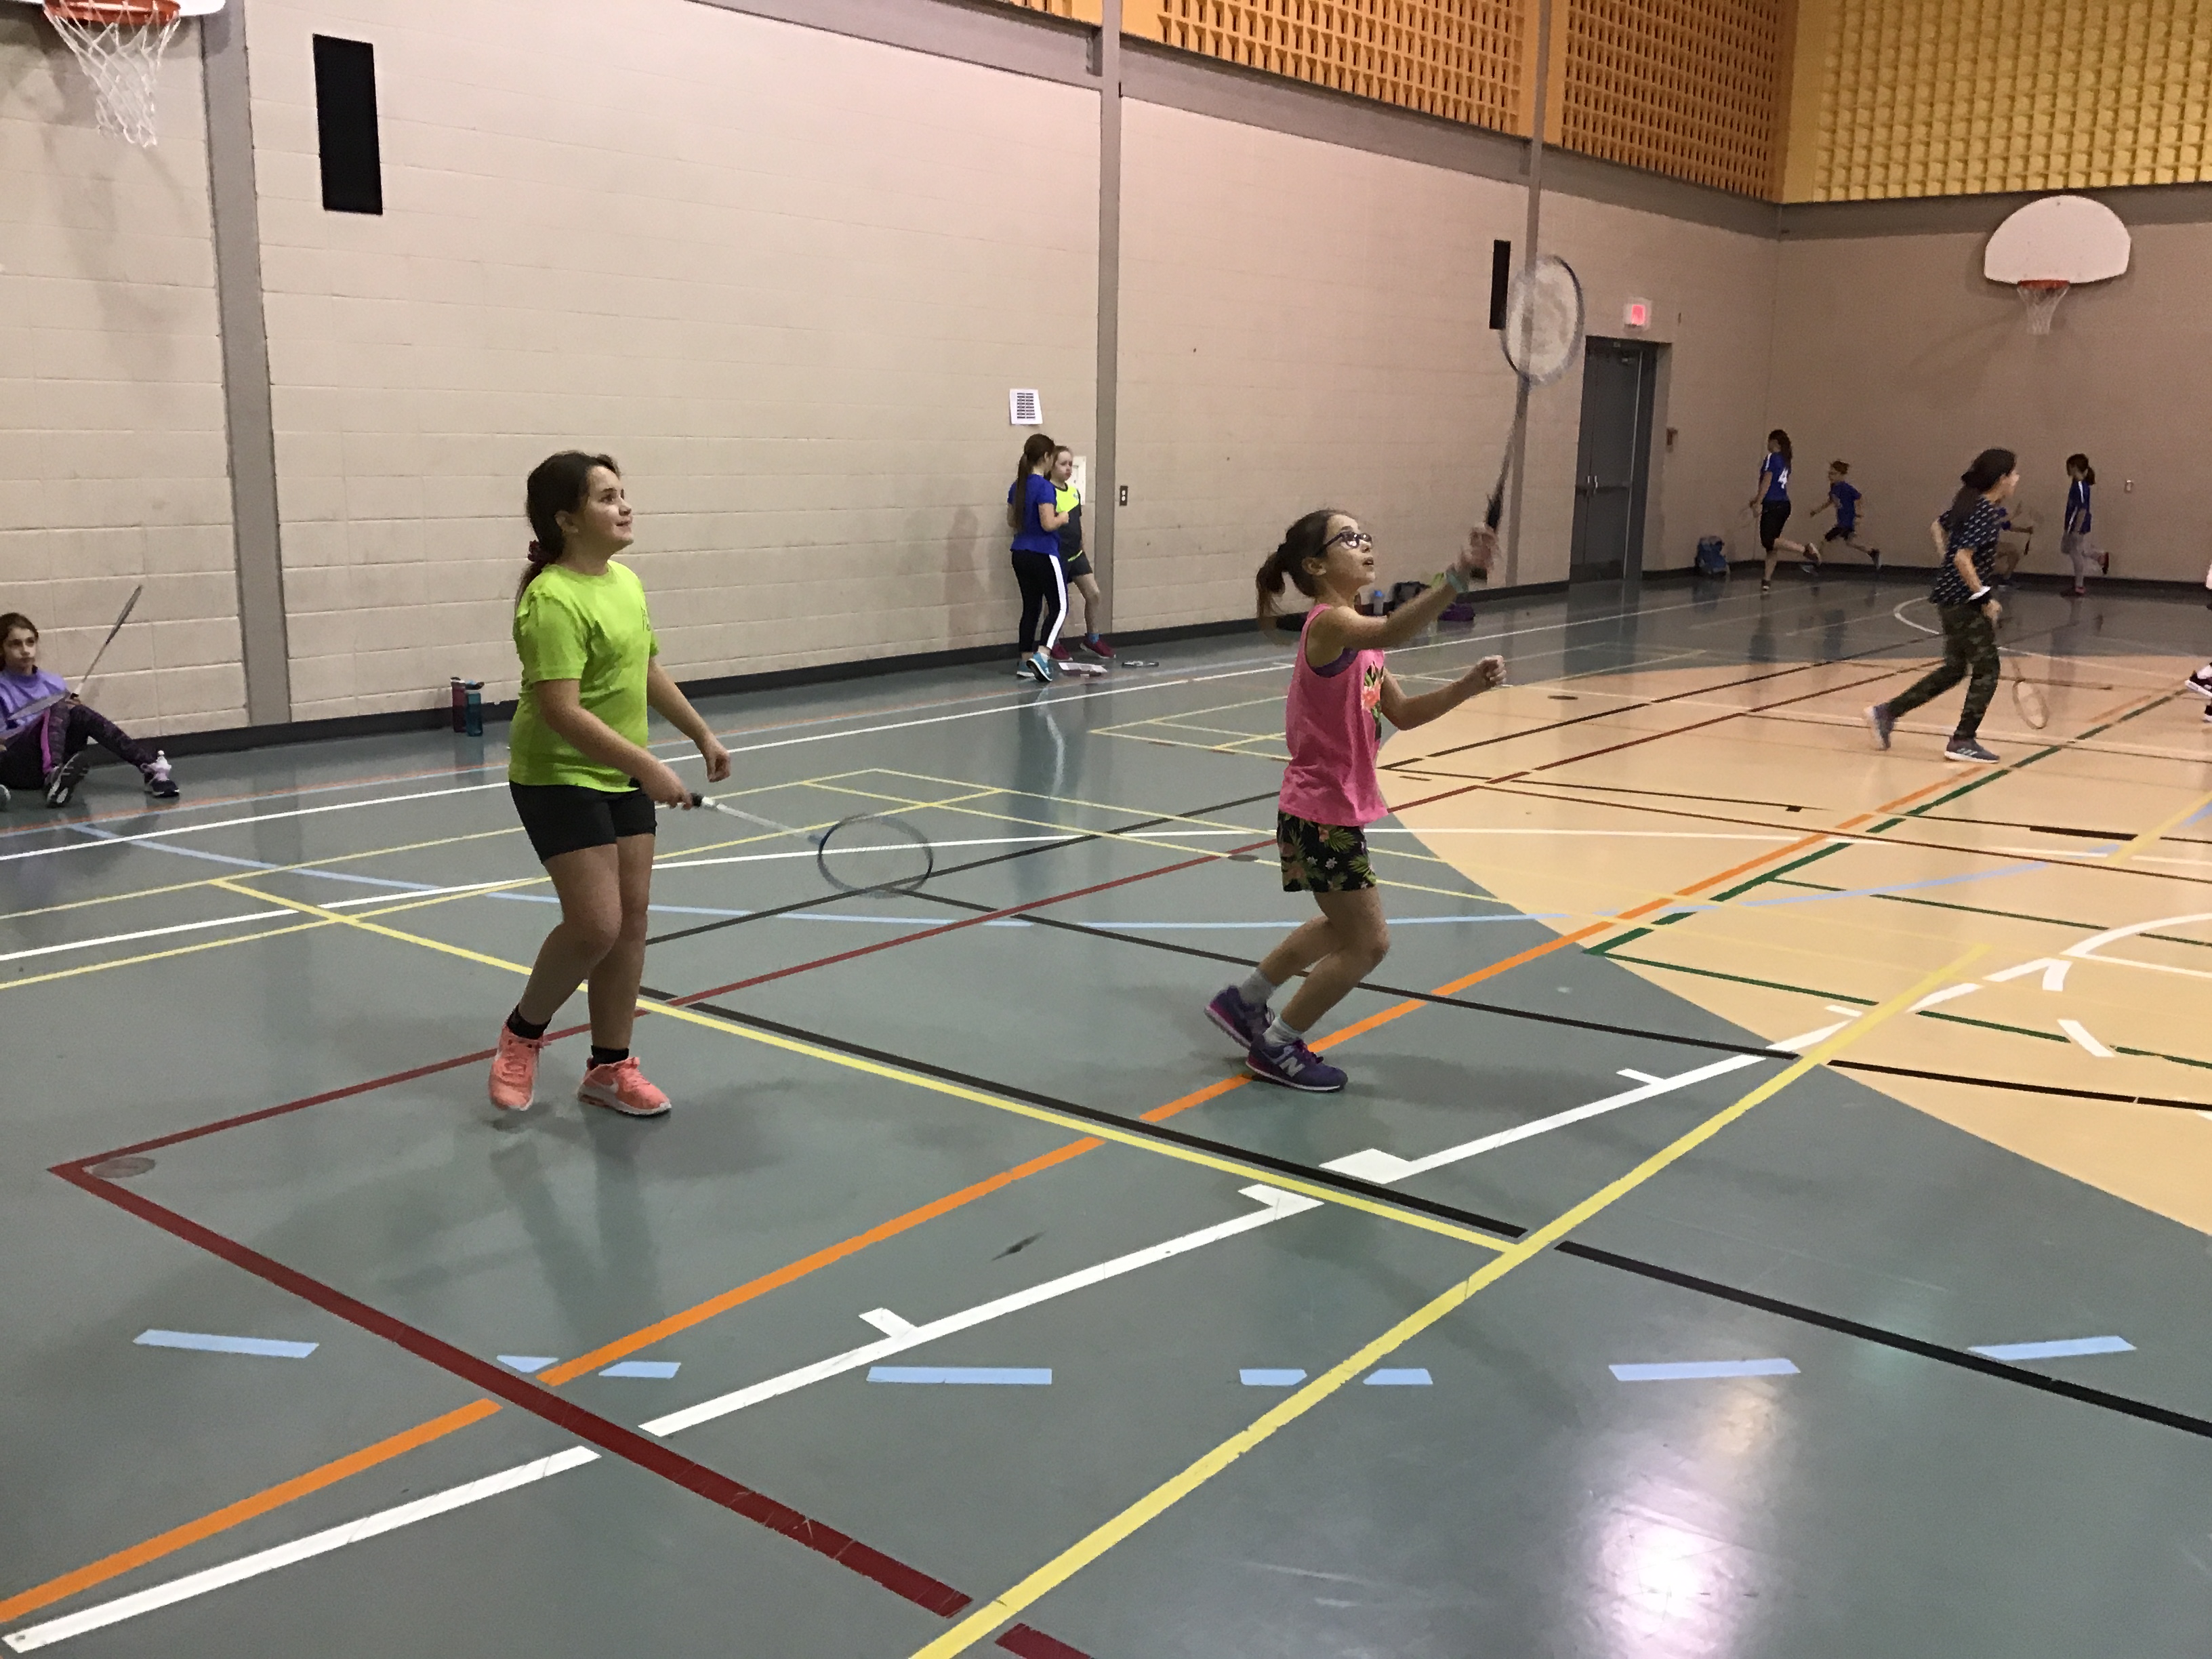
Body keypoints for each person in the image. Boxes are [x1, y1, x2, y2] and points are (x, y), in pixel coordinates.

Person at [1204, 511, 1506, 1092]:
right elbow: (1393, 630)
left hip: (1329, 809)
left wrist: (1467, 686)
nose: (1365, 544)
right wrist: (1460, 576)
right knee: (1369, 943)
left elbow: (1405, 715)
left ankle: (1246, 1003)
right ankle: (1277, 1047)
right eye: (1349, 539)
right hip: (1319, 812)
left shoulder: (1360, 641)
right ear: (1317, 566)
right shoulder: (1331, 625)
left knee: (1341, 927)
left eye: (1366, 534)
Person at [488, 453, 730, 1119]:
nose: (624, 506)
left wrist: (699, 735)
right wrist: (647, 766)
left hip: (620, 770)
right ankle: (523, 1034)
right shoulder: (551, 600)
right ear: (567, 519)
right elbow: (563, 711)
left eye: (623, 494)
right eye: (606, 498)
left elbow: (646, 670)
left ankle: (609, 1066)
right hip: (557, 774)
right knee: (595, 923)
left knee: (630, 924)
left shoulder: (624, 582)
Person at [1863, 449, 2019, 764]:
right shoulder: (1986, 513)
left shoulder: (1969, 504)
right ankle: (1963, 739)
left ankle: (1886, 713)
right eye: (2014, 474)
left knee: (1955, 668)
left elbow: (1938, 527)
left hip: (1949, 597)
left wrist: (1945, 561)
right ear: (2002, 479)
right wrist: (1984, 597)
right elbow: (1963, 558)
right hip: (1963, 601)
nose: (2017, 480)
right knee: (1988, 669)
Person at [0, 611, 176, 809]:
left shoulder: (53, 682)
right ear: (1, 649)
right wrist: (43, 716)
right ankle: (53, 776)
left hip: (56, 756)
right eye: (15, 644)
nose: (25, 650)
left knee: (78, 712)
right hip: (18, 767)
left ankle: (151, 770)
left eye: (30, 642)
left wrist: (69, 711)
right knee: (59, 706)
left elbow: (61, 724)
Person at [1006, 434, 1069, 684]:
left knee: (1031, 607)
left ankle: (1025, 659)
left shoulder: (1017, 486)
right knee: (1060, 606)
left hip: (1020, 552)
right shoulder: (1044, 487)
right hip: (1043, 552)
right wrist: (1062, 518)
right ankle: (1043, 655)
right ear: (1046, 458)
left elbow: (1012, 521)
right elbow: (1048, 523)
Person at [1046, 446, 1113, 663]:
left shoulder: (1074, 491)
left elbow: (1077, 522)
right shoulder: (1047, 492)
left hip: (1076, 554)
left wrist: (1082, 544)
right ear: (1051, 466)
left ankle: (1092, 639)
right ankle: (1052, 642)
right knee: (1058, 604)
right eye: (1063, 464)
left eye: (1070, 464)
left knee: (1094, 594)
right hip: (1056, 556)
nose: (1068, 469)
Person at [1750, 429, 1818, 592]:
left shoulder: (1772, 458)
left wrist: (1758, 502)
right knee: (1772, 546)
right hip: (1783, 504)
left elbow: (1767, 481)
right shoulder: (1785, 461)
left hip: (1773, 504)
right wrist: (1757, 498)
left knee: (1768, 540)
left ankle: (1804, 550)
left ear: (1775, 442)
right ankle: (1766, 580)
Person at [1807, 460, 1879, 569]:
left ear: (1841, 475)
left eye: (1833, 474)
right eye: (1829, 473)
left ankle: (1817, 567)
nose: (1830, 476)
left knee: (1824, 541)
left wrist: (1859, 515)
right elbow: (1831, 500)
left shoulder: (1846, 488)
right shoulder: (1834, 487)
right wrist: (1817, 510)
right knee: (1850, 542)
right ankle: (1872, 552)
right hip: (1842, 520)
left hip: (1846, 521)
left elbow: (1859, 498)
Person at [2062, 454, 2098, 598]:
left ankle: (2079, 586)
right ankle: (2098, 557)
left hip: (2078, 525)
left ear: (2074, 467)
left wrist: (2076, 530)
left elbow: (2082, 509)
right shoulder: (2075, 483)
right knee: (2068, 549)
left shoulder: (2081, 487)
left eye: (2069, 467)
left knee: (2075, 552)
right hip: (2071, 524)